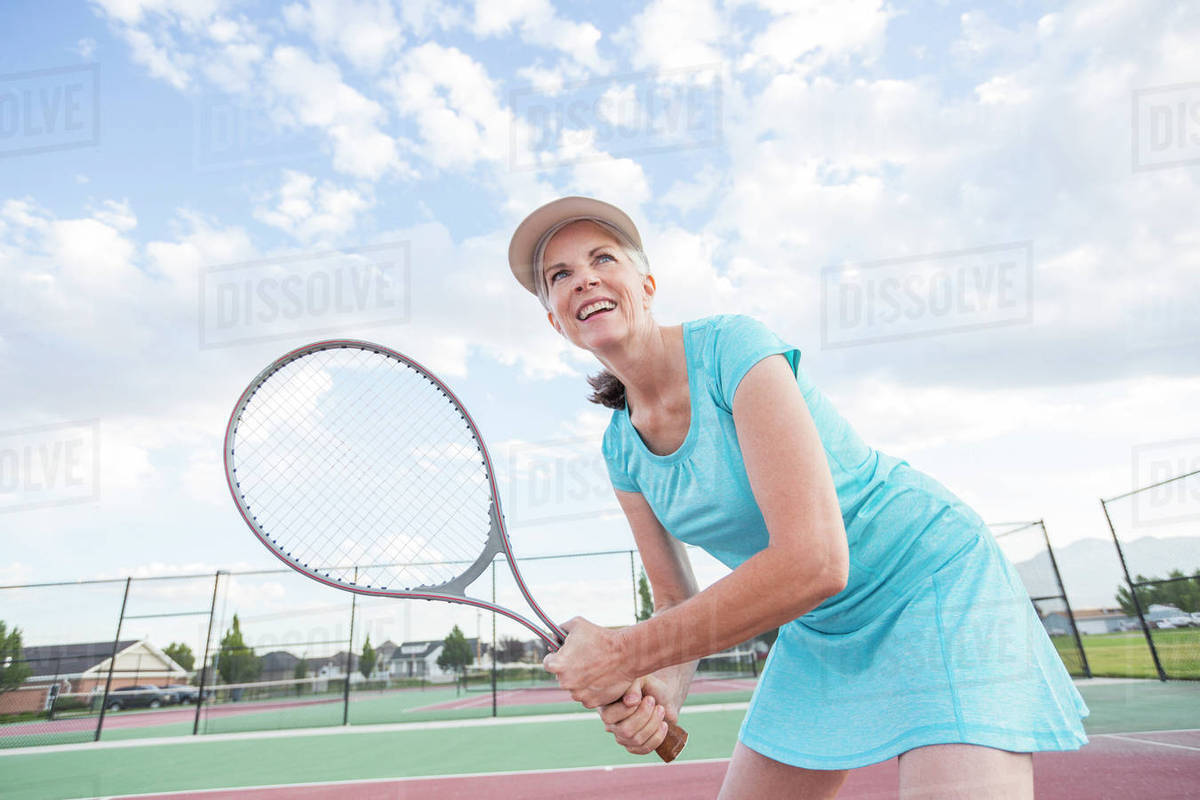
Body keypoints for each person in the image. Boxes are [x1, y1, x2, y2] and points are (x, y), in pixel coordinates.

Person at [507, 196, 1089, 799]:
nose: (585, 280)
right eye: (561, 276)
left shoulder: (733, 347)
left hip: (930, 580)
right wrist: (660, 686)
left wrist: (623, 653)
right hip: (820, 627)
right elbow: (675, 599)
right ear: (555, 318)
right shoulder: (620, 449)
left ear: (647, 286)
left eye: (602, 258)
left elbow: (815, 561)